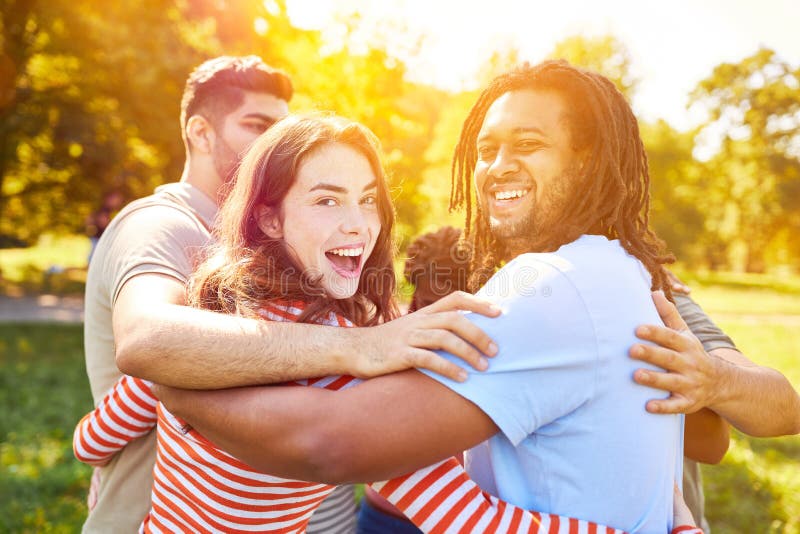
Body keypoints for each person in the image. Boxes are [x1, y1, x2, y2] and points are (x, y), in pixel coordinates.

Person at [155, 61, 723, 532]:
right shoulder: (619, 269)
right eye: (486, 148)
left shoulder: (547, 286)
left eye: (529, 144)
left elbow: (337, 442)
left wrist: (180, 390)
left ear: (588, 159)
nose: (498, 167)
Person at [82, 55, 500, 534]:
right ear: (200, 133)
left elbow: (98, 434)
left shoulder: (244, 282)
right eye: (256, 126)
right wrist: (359, 348)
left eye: (367, 200)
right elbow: (149, 345)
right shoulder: (165, 227)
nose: (272, 145)